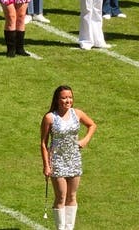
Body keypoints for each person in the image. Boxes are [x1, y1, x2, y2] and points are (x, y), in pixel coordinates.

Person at [41, 85, 97, 230]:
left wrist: (85, 141)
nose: (68, 100)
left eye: (70, 97)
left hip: (74, 159)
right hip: (57, 161)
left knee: (72, 196)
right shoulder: (50, 117)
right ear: (57, 99)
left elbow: (92, 125)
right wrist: (46, 165)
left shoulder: (77, 113)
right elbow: (43, 143)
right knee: (61, 197)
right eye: (64, 97)